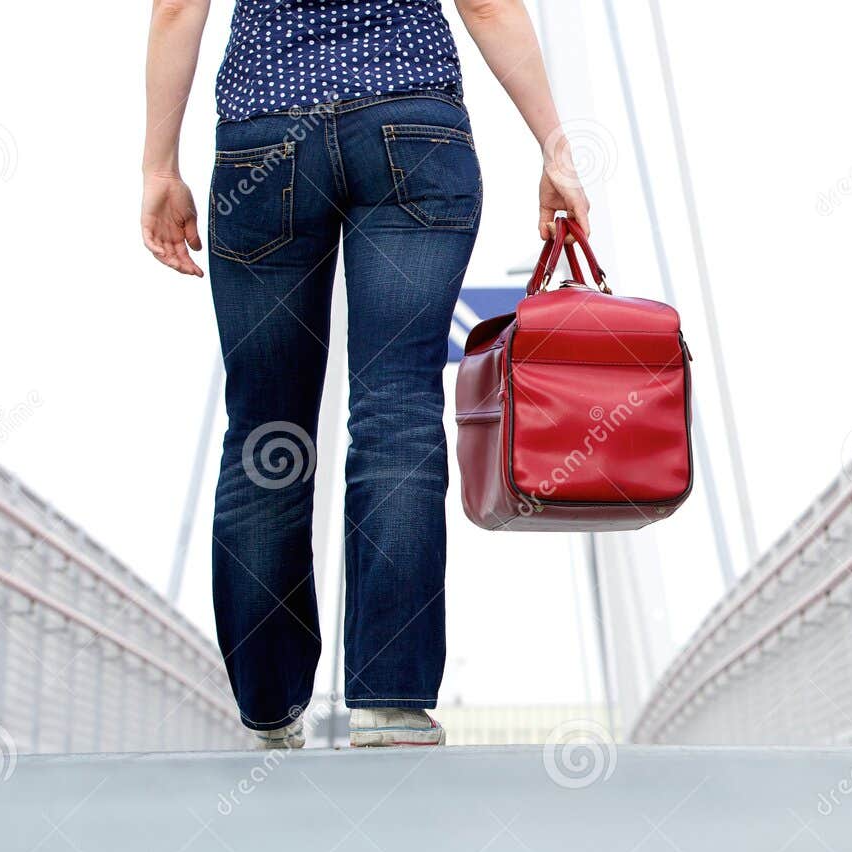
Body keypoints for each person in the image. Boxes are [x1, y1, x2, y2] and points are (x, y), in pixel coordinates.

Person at [140, 0, 590, 749]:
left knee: (266, 428)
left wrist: (160, 167)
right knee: (400, 409)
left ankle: (270, 711)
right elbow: (484, 3)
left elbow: (178, 8)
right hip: (413, 128)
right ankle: (392, 701)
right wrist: (556, 151)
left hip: (265, 133)